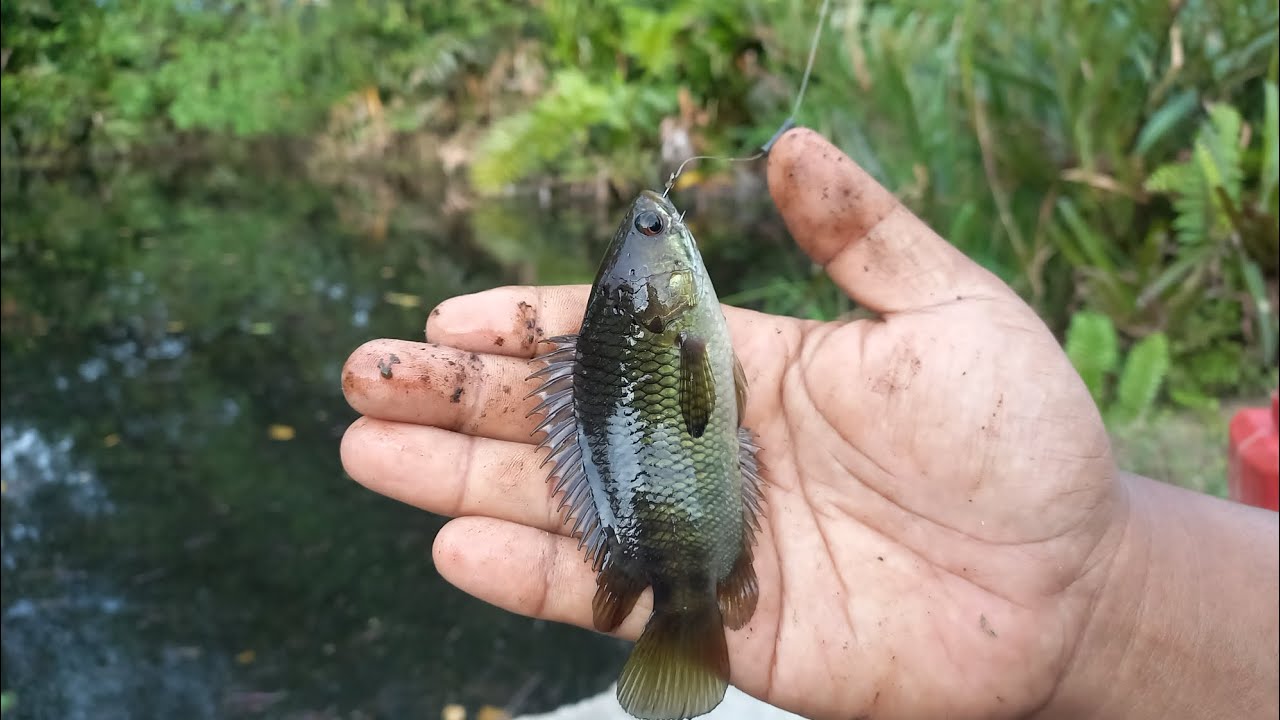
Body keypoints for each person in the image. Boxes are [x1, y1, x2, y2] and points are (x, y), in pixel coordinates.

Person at [339, 128, 1279, 719]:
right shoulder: (675, 330)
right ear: (661, 298)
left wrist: (1100, 584)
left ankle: (685, 608)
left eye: (649, 231)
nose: (658, 224)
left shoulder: (667, 331)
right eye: (654, 236)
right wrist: (1105, 592)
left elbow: (671, 409)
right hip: (688, 536)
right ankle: (687, 607)